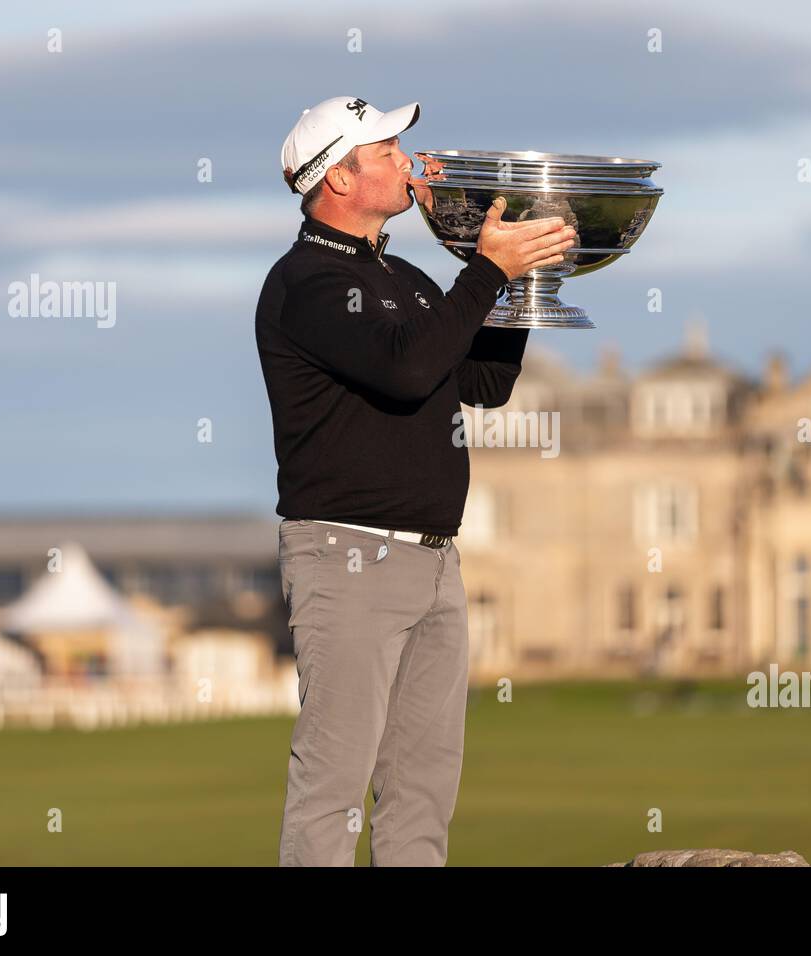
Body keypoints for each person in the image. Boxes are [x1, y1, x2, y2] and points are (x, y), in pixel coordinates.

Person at [255, 95, 575, 866]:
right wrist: (487, 271)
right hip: (347, 557)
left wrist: (512, 281)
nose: (409, 161)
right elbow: (404, 369)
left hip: (435, 560)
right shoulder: (304, 282)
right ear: (337, 179)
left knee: (423, 788)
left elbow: (481, 380)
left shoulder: (405, 276)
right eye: (387, 150)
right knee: (334, 783)